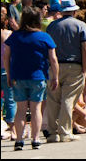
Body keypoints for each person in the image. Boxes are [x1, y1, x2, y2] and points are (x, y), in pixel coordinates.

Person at [4, 10, 59, 151]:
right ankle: (35, 139)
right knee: (36, 109)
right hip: (38, 77)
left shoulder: (15, 36)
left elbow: (6, 56)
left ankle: (19, 140)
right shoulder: (44, 37)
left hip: (18, 77)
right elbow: (53, 59)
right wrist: (55, 77)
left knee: (20, 110)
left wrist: (9, 74)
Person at [44, 0, 86, 144]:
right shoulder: (80, 25)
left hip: (54, 65)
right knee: (68, 99)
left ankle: (51, 132)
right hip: (74, 65)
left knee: (52, 99)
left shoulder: (52, 26)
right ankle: (65, 131)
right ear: (75, 11)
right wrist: (84, 68)